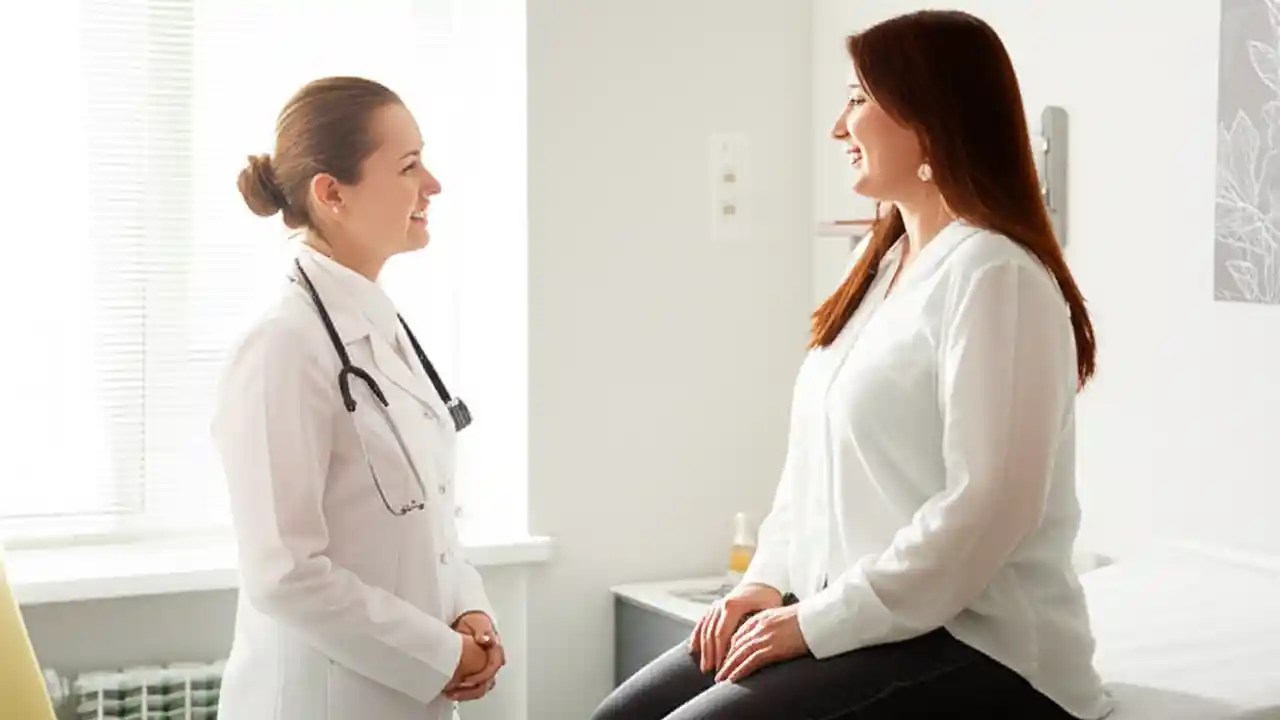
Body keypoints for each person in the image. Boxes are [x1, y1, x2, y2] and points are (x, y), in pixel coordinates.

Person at [593, 10, 1112, 720]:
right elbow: (810, 468)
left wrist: (814, 623)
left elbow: (988, 509)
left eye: (859, 100)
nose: (840, 127)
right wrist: (768, 583)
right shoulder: (882, 268)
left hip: (980, 646)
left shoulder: (996, 274)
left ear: (931, 116)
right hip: (863, 617)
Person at [212, 76, 503, 720]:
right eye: (408, 166)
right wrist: (440, 652)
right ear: (332, 193)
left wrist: (468, 608)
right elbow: (283, 574)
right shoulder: (281, 348)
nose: (432, 184)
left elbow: (428, 521)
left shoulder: (381, 328)